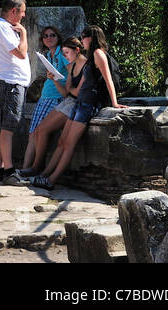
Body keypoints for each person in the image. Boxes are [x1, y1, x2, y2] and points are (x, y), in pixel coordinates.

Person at [31, 26, 128, 191]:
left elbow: (108, 79)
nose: (82, 40)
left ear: (92, 38)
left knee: (69, 143)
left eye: (84, 36)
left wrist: (114, 102)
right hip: (79, 102)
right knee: (62, 141)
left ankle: (51, 181)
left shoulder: (98, 54)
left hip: (89, 104)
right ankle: (44, 175)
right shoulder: (90, 56)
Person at [18, 35, 84, 179]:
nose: (65, 56)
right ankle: (36, 168)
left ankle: (40, 171)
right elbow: (68, 91)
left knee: (62, 142)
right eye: (64, 53)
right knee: (39, 131)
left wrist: (71, 89)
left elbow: (75, 92)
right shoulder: (72, 66)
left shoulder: (84, 65)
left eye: (66, 53)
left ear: (77, 50)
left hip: (76, 103)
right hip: (68, 101)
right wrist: (55, 80)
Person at [0, 0, 30, 184]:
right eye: (22, 12)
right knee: (8, 128)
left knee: (2, 128)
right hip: (11, 83)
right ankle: (9, 172)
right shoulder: (2, 28)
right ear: (14, 10)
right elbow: (21, 53)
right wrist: (24, 33)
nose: (23, 17)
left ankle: (0, 169)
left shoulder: (1, 27)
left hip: (8, 81)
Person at [19, 26, 66, 176]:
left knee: (37, 133)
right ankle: (26, 168)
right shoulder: (49, 55)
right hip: (45, 97)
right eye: (46, 36)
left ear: (58, 37)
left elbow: (72, 70)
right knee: (33, 133)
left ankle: (30, 168)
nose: (49, 38)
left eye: (52, 35)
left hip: (54, 97)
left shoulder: (62, 53)